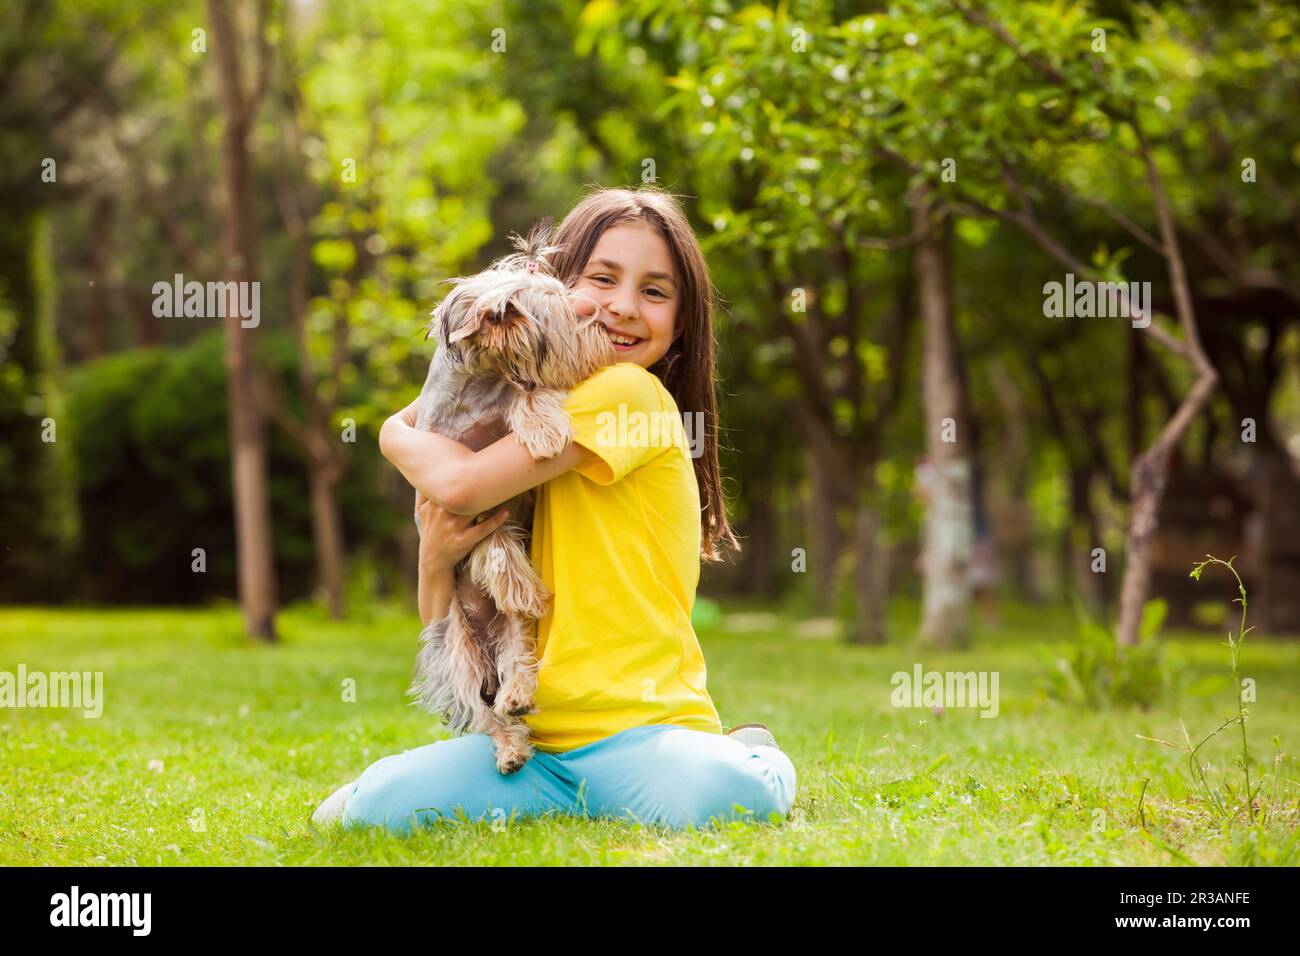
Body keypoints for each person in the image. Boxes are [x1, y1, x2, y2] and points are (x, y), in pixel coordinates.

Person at [311, 186, 796, 833]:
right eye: (602, 278)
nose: (622, 307)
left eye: (655, 292)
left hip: (643, 735)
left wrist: (390, 434)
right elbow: (463, 642)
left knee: (729, 796)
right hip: (530, 753)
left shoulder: (629, 394)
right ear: (552, 287)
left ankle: (754, 755)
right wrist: (435, 559)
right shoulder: (522, 418)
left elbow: (456, 484)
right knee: (370, 811)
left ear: (680, 325)